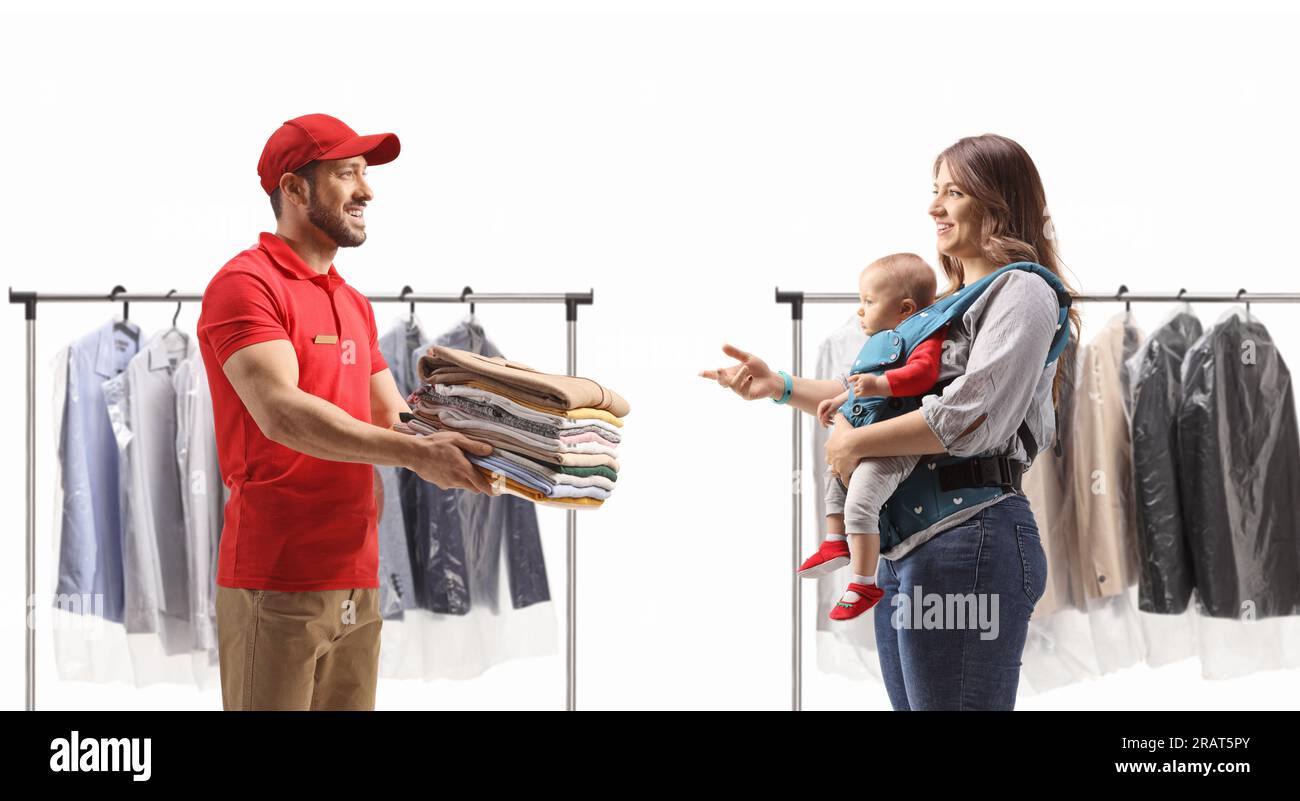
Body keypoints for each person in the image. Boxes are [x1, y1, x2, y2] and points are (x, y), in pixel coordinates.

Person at [701, 133, 1081, 710]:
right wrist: (777, 387)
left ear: (997, 203)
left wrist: (851, 447)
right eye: (935, 191)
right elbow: (878, 399)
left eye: (953, 192)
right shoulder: (944, 305)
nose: (934, 208)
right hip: (911, 550)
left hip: (969, 539)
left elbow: (972, 416)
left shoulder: (1022, 290)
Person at [197, 113, 495, 711]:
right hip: (276, 579)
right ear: (294, 188)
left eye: (365, 173)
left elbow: (395, 417)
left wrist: (511, 440)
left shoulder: (351, 301)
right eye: (347, 173)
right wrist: (416, 453)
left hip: (358, 574)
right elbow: (280, 412)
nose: (367, 190)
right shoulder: (245, 285)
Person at [793, 253, 949, 621]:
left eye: (869, 302)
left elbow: (924, 375)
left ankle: (863, 581)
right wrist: (839, 398)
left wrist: (878, 384)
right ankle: (835, 542)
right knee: (836, 484)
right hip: (867, 429)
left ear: (905, 308)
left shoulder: (926, 334)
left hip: (893, 441)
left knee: (860, 503)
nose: (860, 312)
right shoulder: (882, 340)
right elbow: (860, 383)